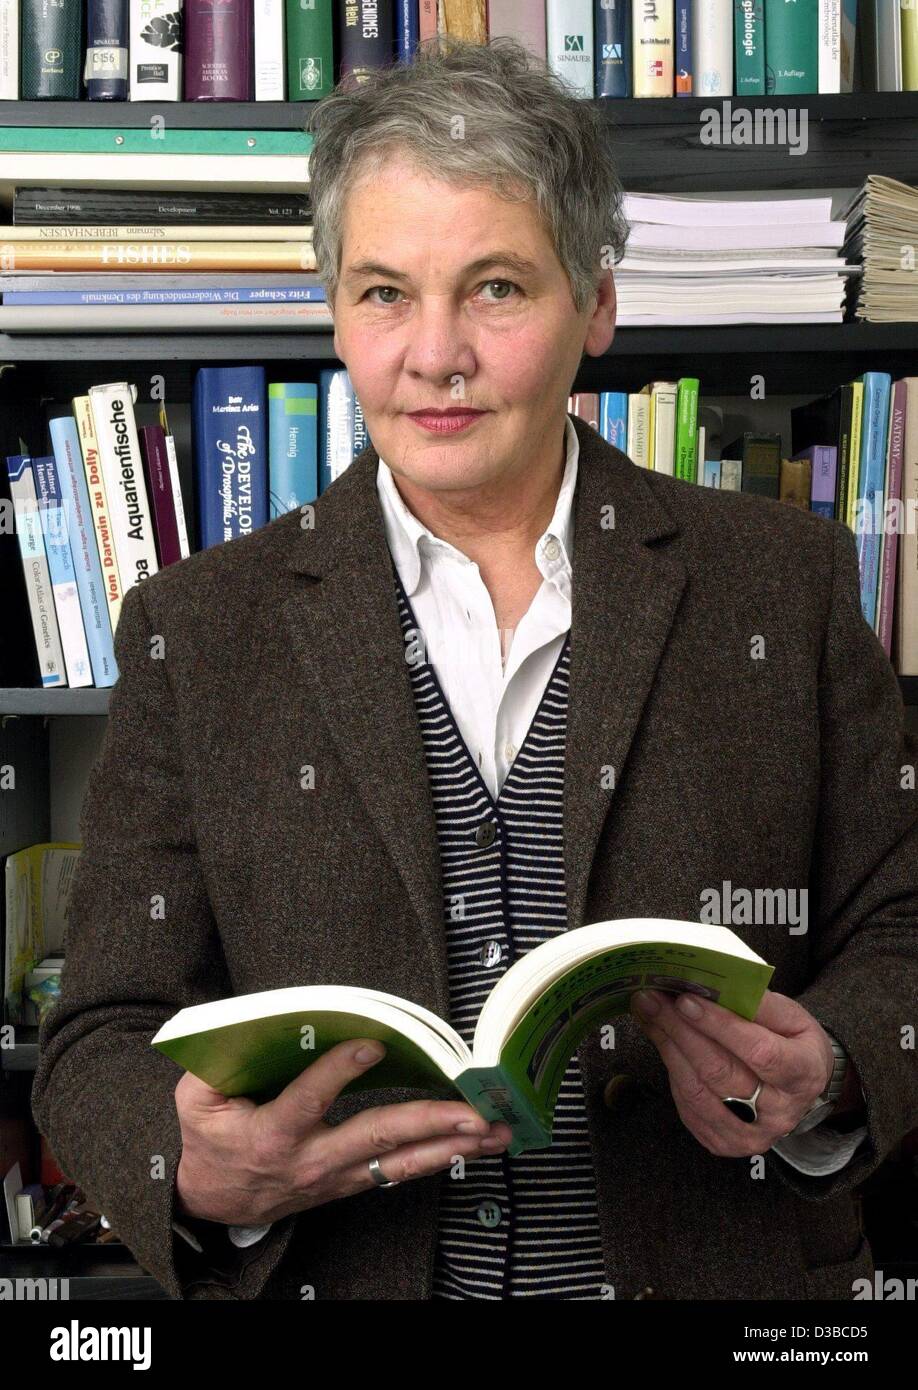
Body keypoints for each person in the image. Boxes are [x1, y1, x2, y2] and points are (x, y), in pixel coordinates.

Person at [32, 37, 918, 1300]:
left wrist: (828, 1067)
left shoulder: (786, 579)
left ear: (594, 304)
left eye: (496, 288)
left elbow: (903, 928)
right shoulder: (199, 626)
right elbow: (97, 1035)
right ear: (335, 310)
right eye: (384, 292)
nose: (433, 354)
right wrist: (190, 1163)